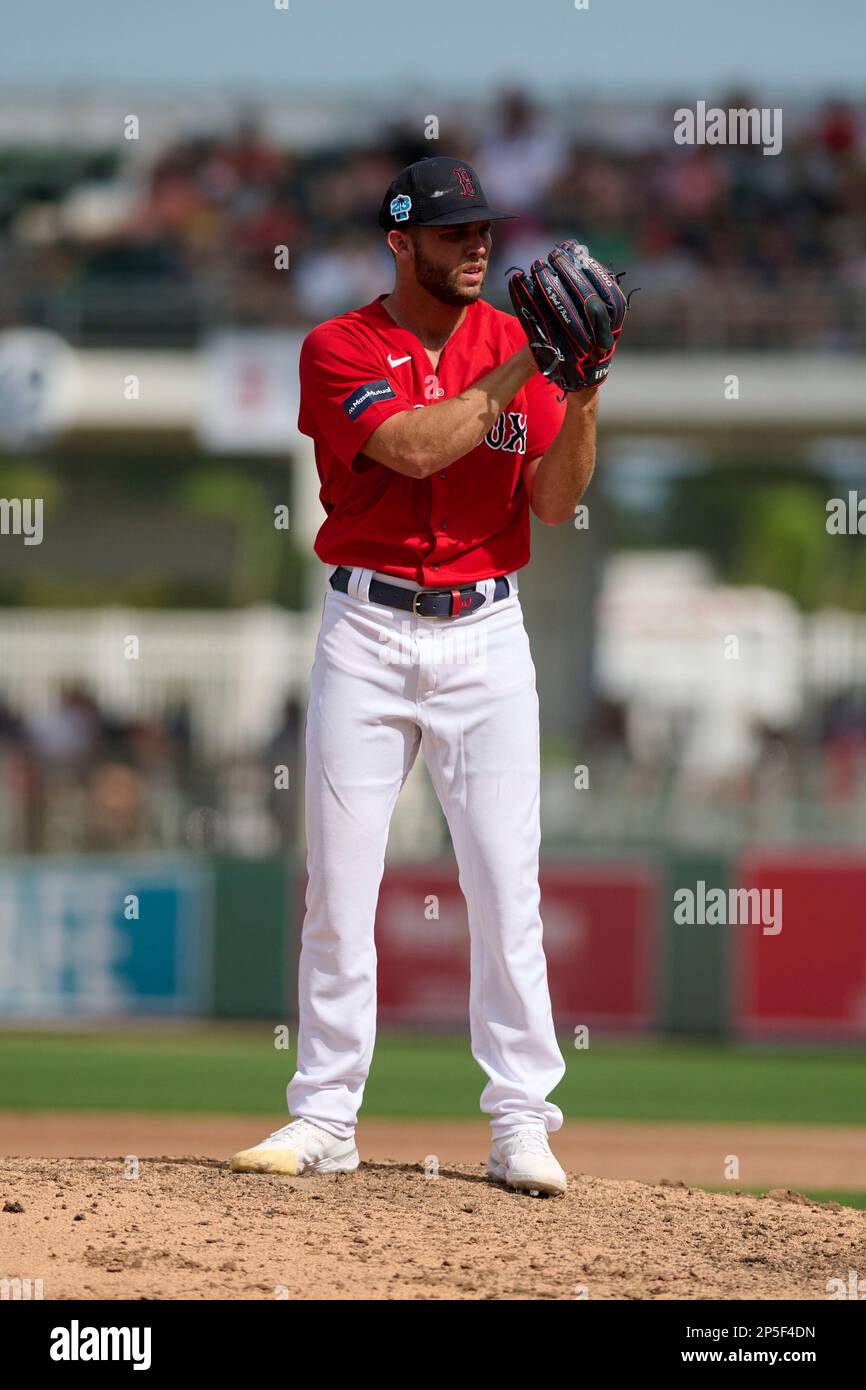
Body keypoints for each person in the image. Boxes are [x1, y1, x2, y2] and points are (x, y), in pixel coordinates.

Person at [231, 157, 603, 1196]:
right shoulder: (338, 344)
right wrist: (525, 363)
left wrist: (579, 396)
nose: (476, 246)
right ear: (400, 242)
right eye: (452, 234)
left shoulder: (514, 345)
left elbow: (555, 503)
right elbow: (410, 447)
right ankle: (323, 1115)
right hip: (366, 627)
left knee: (503, 886)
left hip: (485, 632)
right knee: (341, 892)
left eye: (483, 229)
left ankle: (521, 1122)